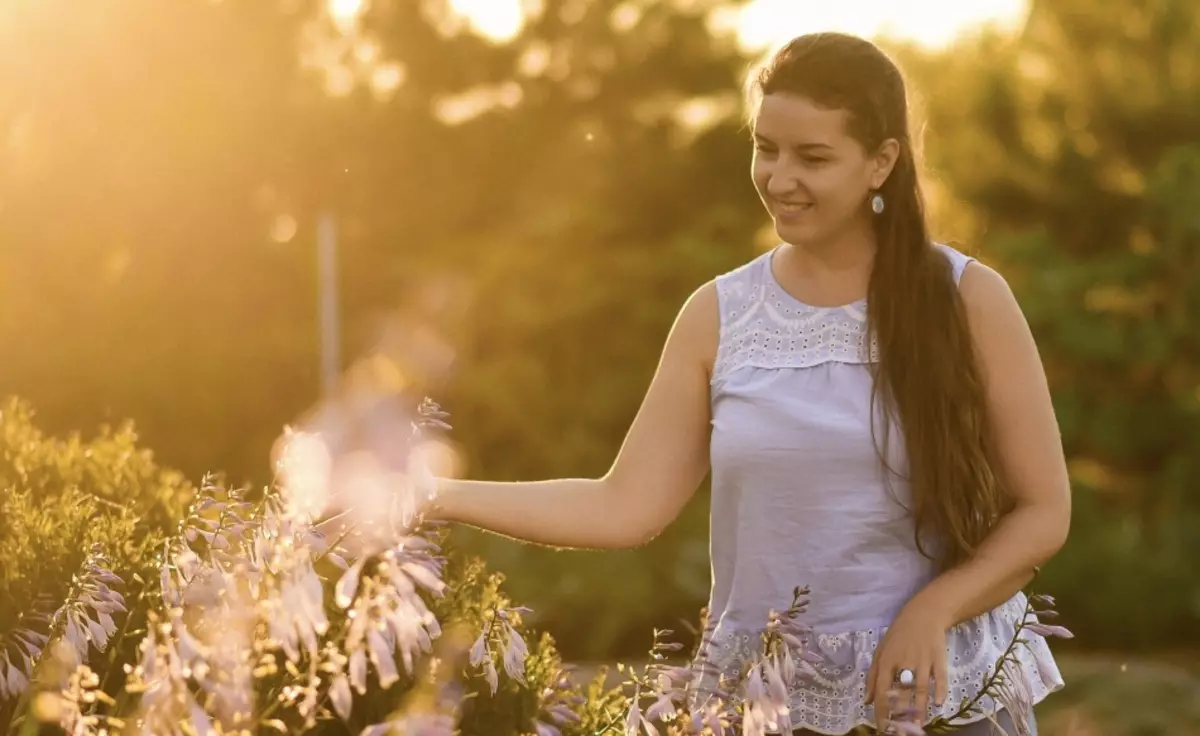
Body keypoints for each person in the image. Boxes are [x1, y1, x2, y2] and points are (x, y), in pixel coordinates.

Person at [430, 32, 1071, 735]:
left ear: (882, 162)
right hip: (763, 707)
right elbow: (624, 505)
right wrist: (430, 495)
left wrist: (933, 609)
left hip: (937, 701)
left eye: (813, 157)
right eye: (766, 148)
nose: (779, 177)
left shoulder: (968, 299)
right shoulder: (718, 315)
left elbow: (1043, 510)